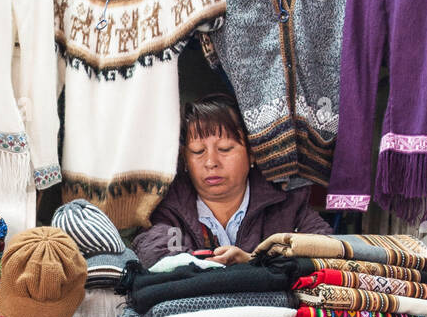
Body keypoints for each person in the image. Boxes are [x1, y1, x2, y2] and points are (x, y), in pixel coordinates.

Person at [134, 96, 333, 268]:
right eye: (197, 151)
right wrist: (206, 266)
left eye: (225, 149)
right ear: (185, 160)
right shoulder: (168, 204)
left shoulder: (287, 201)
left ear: (253, 154)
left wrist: (253, 261)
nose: (211, 163)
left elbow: (324, 247)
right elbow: (155, 251)